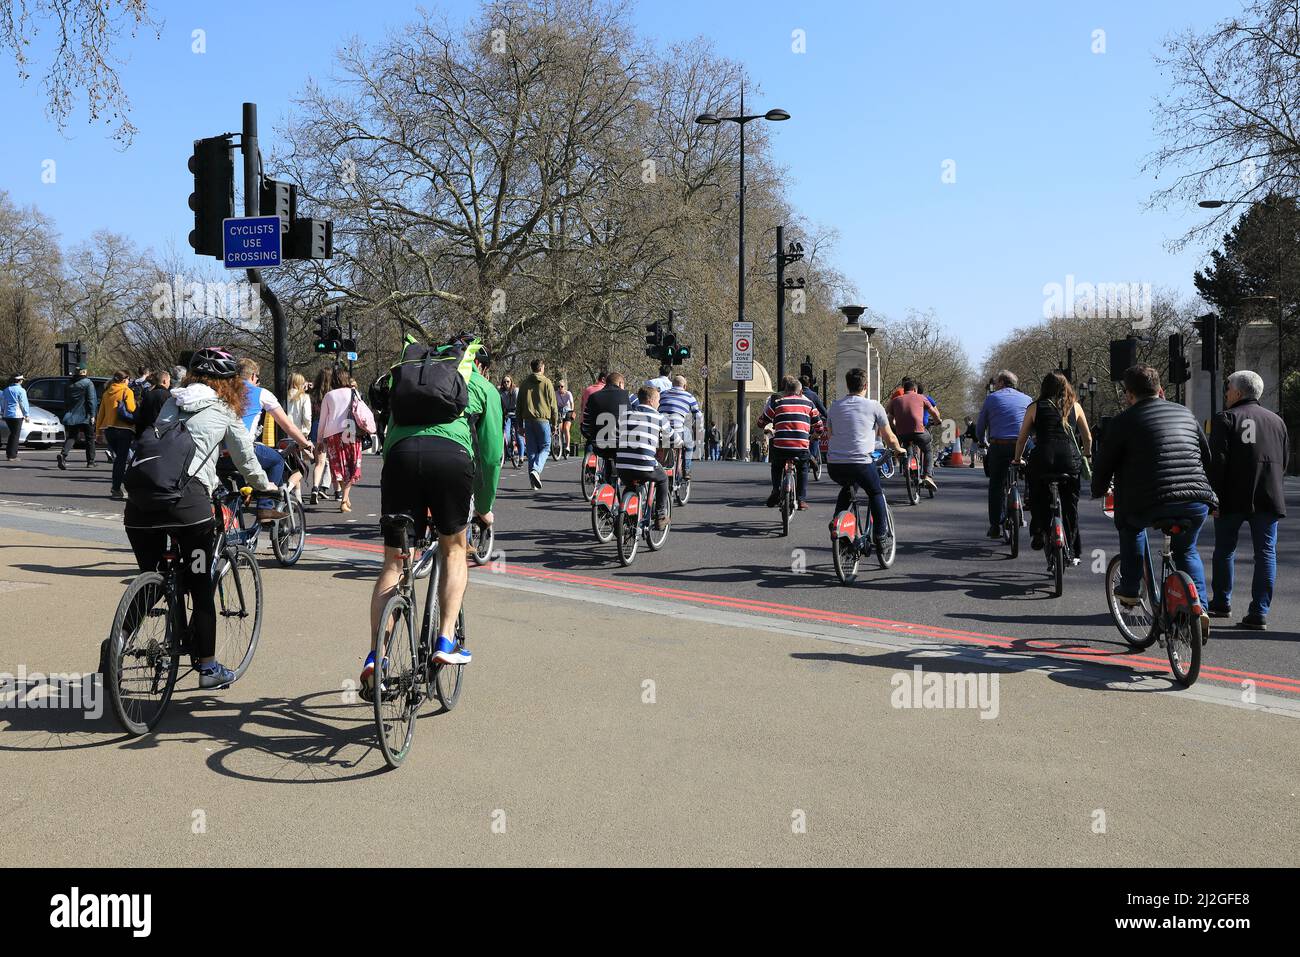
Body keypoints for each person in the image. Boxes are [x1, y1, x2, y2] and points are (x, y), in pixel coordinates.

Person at [126, 347, 278, 689]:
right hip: (189, 507)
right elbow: (246, 460)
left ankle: (119, 643)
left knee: (153, 578)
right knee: (199, 584)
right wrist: (267, 487)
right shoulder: (225, 410)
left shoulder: (171, 402)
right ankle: (208, 669)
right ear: (229, 383)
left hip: (139, 504)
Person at [364, 338, 503, 696]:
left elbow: (389, 431)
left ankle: (374, 657)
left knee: (395, 563)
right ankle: (445, 642)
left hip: (401, 459)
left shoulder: (406, 377)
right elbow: (491, 456)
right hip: (452, 460)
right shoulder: (481, 385)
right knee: (454, 549)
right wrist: (484, 507)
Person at [1091, 365, 1217, 641]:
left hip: (1150, 501)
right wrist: (1212, 496)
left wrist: (1097, 489)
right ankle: (1200, 610)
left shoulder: (1124, 421)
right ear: (1160, 390)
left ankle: (1131, 589)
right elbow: (1206, 457)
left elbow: (1104, 465)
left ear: (1129, 394)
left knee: (1131, 526)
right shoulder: (1186, 413)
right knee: (1187, 550)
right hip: (1196, 499)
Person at [1208, 370, 1289, 630]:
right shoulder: (1277, 421)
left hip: (1231, 495)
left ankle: (1221, 602)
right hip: (1268, 494)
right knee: (1266, 553)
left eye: (1228, 388)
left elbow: (1217, 462)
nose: (1226, 392)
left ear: (1238, 393)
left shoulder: (1226, 418)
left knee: (1224, 550)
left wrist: (1213, 496)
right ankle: (1259, 612)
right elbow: (1284, 460)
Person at [1013, 372, 1092, 558]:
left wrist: (1017, 459)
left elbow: (1022, 438)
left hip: (1043, 458)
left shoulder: (1035, 407)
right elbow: (1087, 437)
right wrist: (1087, 456)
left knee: (1037, 494)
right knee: (1070, 504)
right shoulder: (1076, 407)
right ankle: (1072, 549)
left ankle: (1039, 529)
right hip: (1069, 459)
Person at [827, 367, 906, 550]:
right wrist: (898, 449)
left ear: (847, 385)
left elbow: (831, 435)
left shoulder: (834, 406)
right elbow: (890, 437)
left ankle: (837, 521)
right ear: (866, 386)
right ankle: (880, 536)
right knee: (875, 493)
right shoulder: (874, 406)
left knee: (848, 488)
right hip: (861, 463)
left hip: (835, 465)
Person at [235, 358, 313, 522]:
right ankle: (265, 507)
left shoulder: (224, 391)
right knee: (276, 460)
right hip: (243, 450)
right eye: (258, 379)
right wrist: (305, 443)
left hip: (221, 453)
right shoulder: (260, 393)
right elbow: (288, 426)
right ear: (253, 375)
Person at [976, 370, 1034, 538]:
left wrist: (982, 440)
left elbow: (981, 426)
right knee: (1033, 468)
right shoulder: (1027, 399)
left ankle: (995, 525)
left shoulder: (991, 398)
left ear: (1001, 382)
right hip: (1022, 444)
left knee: (996, 485)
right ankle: (1029, 495)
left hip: (999, 445)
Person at [757, 374, 825, 510]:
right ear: (800, 392)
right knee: (803, 469)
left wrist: (764, 423)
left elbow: (761, 422)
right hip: (801, 447)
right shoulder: (809, 404)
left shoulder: (777, 403)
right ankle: (801, 500)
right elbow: (820, 426)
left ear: (786, 391)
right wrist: (815, 436)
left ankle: (776, 489)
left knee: (776, 466)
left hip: (781, 446)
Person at [317, 368, 375, 513]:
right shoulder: (353, 393)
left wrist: (319, 440)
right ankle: (344, 499)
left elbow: (322, 420)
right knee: (351, 465)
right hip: (351, 431)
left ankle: (345, 496)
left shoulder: (328, 395)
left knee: (338, 467)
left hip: (332, 434)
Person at [616, 384, 671, 529]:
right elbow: (673, 438)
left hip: (622, 466)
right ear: (651, 401)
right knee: (663, 478)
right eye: (658, 400)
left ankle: (622, 520)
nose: (659, 404)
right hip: (645, 465)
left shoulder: (625, 415)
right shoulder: (659, 417)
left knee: (630, 485)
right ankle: (660, 515)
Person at [887, 378, 940, 493]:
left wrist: (894, 428)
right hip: (919, 431)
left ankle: (909, 469)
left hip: (902, 434)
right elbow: (934, 413)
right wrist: (937, 421)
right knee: (928, 450)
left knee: (907, 448)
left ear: (903, 389)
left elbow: (890, 418)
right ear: (915, 389)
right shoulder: (921, 397)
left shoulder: (895, 400)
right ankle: (928, 476)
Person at [94, 370, 136, 498]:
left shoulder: (107, 393)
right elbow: (131, 408)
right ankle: (117, 488)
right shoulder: (126, 391)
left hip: (109, 430)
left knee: (119, 459)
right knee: (122, 460)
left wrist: (98, 432)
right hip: (124, 429)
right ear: (125, 379)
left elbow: (101, 413)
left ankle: (116, 487)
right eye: (128, 379)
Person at [518, 358, 557, 488]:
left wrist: (519, 425)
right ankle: (536, 470)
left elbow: (519, 405)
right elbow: (553, 405)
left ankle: (533, 482)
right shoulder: (547, 382)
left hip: (528, 420)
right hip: (543, 420)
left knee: (532, 451)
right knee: (546, 447)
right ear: (541, 368)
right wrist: (555, 423)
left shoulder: (524, 383)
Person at [582, 371, 631, 475]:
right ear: (620, 384)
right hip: (619, 444)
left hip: (599, 444)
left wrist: (589, 436)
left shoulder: (593, 397)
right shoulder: (625, 396)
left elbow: (586, 421)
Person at [659, 374, 704, 478]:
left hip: (661, 429)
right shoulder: (689, 397)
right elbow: (698, 415)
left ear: (672, 385)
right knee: (689, 446)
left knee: (660, 446)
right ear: (685, 386)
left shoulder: (662, 394)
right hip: (678, 429)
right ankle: (686, 470)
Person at [57, 365, 98, 469]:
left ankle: (63, 455)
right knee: (90, 438)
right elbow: (91, 400)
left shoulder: (69, 384)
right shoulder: (88, 383)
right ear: (84, 372)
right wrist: (93, 415)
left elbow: (66, 400)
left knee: (72, 436)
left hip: (72, 415)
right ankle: (90, 461)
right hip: (85, 415)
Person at [308, 368, 335, 503]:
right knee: (333, 460)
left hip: (316, 425)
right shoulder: (333, 394)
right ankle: (337, 491)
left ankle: (315, 487)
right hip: (330, 426)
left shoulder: (313, 394)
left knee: (319, 463)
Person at [133, 370, 172, 435]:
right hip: (159, 433)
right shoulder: (168, 396)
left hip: (144, 431)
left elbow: (141, 414)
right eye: (169, 381)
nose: (169, 383)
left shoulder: (148, 394)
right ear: (165, 381)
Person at [3, 373, 30, 462]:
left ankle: (9, 454)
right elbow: (23, 403)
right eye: (22, 380)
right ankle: (12, 455)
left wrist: (2, 411)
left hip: (7, 415)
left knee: (12, 434)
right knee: (15, 435)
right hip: (17, 415)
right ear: (19, 381)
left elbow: (3, 402)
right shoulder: (21, 390)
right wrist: (26, 415)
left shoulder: (6, 390)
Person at [499, 374, 522, 461]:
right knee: (507, 436)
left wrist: (517, 413)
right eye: (504, 382)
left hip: (516, 413)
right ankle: (510, 450)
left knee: (519, 435)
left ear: (511, 382)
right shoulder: (501, 392)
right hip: (507, 414)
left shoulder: (515, 390)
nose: (506, 383)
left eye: (508, 381)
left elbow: (519, 404)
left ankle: (521, 457)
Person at [556, 378, 575, 459]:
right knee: (559, 429)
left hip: (568, 411)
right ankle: (559, 445)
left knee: (566, 428)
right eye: (558, 386)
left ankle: (567, 447)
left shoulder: (568, 394)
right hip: (560, 411)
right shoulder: (555, 393)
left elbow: (572, 403)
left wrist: (573, 412)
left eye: (562, 386)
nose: (560, 388)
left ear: (565, 387)